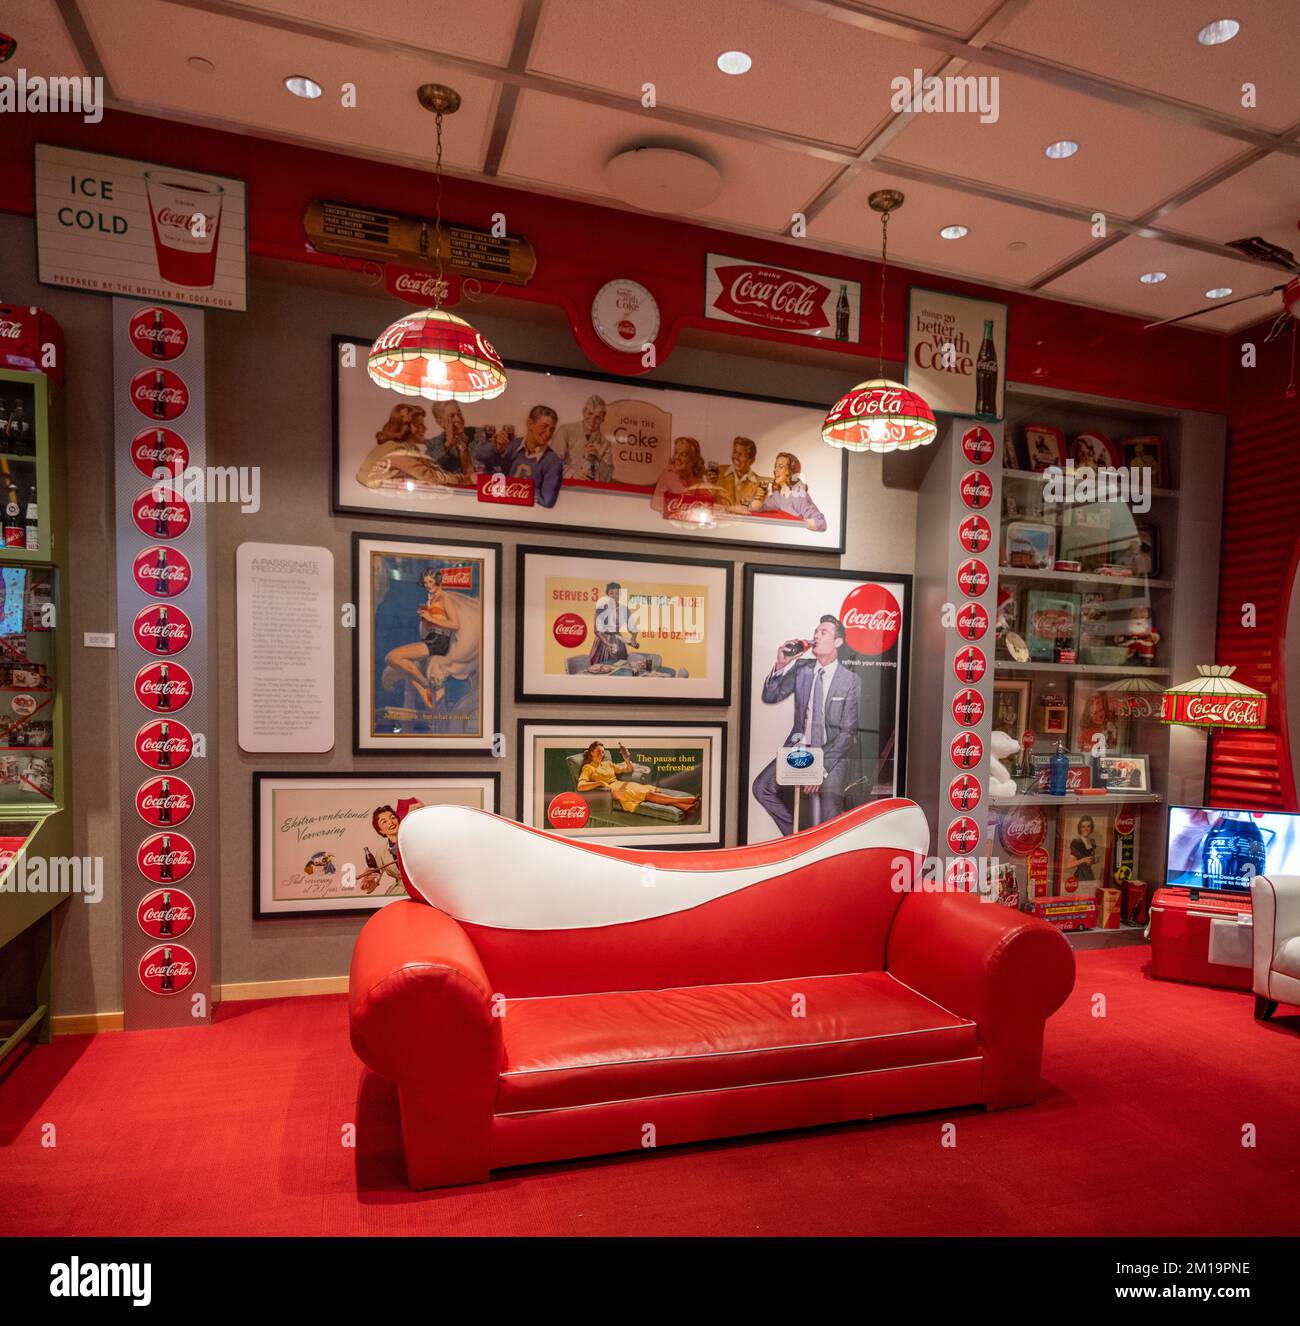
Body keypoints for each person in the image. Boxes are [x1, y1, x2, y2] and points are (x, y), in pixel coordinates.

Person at [751, 615, 861, 836]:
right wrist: (782, 664)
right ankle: (798, 837)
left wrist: (819, 769)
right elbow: (771, 695)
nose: (816, 636)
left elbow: (848, 734)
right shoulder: (802, 668)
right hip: (800, 749)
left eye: (823, 632)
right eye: (816, 632)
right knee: (762, 788)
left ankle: (825, 854)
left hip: (831, 753)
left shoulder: (850, 680)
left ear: (837, 642)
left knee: (829, 811)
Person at [382, 568, 481, 710]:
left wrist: (430, 617)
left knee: (392, 657)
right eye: (425, 582)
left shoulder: (445, 598)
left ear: (438, 582)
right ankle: (425, 685)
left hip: (439, 641)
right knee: (395, 660)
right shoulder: (431, 600)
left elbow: (455, 624)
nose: (428, 585)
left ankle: (425, 684)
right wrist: (424, 621)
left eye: (431, 581)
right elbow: (424, 635)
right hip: (430, 639)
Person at [577, 740, 700, 818]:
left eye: (603, 752)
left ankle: (685, 807)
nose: (601, 754)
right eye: (598, 752)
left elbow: (629, 770)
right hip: (612, 791)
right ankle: (689, 800)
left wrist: (626, 758)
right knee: (649, 795)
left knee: (651, 792)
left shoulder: (607, 764)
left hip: (621, 784)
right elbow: (580, 786)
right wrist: (600, 782)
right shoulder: (588, 768)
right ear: (591, 752)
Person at [355, 404, 455, 489]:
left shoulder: (412, 448)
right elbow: (428, 475)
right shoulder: (398, 450)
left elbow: (428, 465)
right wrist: (463, 479)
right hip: (374, 492)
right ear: (405, 427)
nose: (425, 428)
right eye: (419, 425)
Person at [750, 451, 826, 531]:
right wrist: (759, 500)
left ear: (791, 471)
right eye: (776, 466)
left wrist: (797, 525)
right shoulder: (777, 496)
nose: (775, 470)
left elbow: (820, 523)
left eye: (781, 467)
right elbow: (754, 509)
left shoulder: (799, 496)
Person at [507, 405, 563, 508]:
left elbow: (547, 500)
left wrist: (521, 487)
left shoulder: (553, 461)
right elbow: (496, 472)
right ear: (530, 424)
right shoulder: (514, 445)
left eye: (552, 429)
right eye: (544, 426)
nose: (548, 433)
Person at [554, 394, 615, 482]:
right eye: (589, 414)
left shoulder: (606, 444)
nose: (592, 420)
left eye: (597, 417)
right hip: (564, 487)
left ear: (603, 419)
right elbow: (552, 463)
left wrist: (598, 458)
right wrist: (572, 474)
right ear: (583, 412)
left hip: (590, 492)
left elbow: (607, 478)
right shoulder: (565, 430)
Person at [588, 581, 641, 668]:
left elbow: (632, 626)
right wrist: (608, 644)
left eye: (617, 593)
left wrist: (633, 638)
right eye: (611, 593)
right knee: (600, 668)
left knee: (620, 667)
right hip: (603, 641)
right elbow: (597, 630)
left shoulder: (624, 608)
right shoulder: (601, 608)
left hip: (618, 641)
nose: (614, 596)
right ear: (607, 594)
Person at [425, 401, 480, 483]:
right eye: (452, 416)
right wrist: (447, 445)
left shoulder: (479, 434)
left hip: (483, 489)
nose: (458, 419)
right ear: (440, 422)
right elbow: (427, 469)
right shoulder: (434, 444)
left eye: (459, 414)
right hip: (456, 492)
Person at [650, 436, 707, 513]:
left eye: (683, 454)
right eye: (676, 453)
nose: (677, 457)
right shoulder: (669, 473)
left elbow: (707, 503)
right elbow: (687, 500)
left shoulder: (695, 476)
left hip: (687, 521)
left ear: (694, 459)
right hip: (666, 521)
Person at [714, 436, 765, 511]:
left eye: (742, 455)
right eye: (735, 452)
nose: (736, 457)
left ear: (751, 460)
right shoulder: (718, 472)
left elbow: (755, 509)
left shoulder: (759, 484)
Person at [1067, 815, 1100, 884]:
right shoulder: (1077, 843)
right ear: (1080, 828)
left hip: (1090, 875)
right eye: (1083, 827)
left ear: (1091, 828)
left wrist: (1095, 860)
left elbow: (1090, 859)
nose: (1086, 829)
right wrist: (1082, 860)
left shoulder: (1092, 842)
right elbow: (1069, 865)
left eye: (1088, 826)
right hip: (1081, 877)